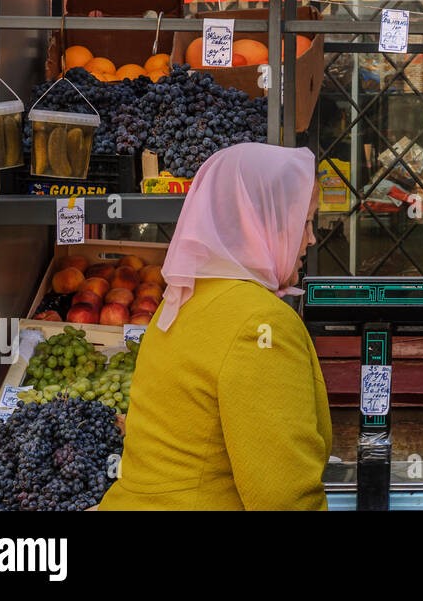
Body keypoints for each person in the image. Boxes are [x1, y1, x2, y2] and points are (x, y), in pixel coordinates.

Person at [101, 143, 332, 510]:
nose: (311, 239)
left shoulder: (182, 300)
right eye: (304, 222)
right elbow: (284, 497)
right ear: (265, 224)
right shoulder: (259, 321)